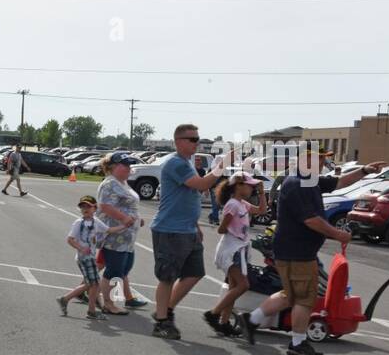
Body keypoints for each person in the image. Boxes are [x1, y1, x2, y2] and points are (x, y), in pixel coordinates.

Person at [238, 148, 350, 355]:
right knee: (304, 299)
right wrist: (338, 234)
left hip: (289, 249)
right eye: (320, 159)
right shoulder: (299, 184)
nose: (323, 163)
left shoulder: (308, 180)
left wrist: (364, 171)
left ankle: (251, 320)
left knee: (289, 294)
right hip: (299, 252)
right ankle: (298, 343)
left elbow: (339, 182)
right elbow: (311, 220)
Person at [150, 124, 225, 339]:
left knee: (194, 273)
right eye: (192, 139)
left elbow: (187, 197)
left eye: (197, 139)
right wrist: (221, 167)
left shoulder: (186, 162)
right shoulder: (175, 163)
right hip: (170, 230)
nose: (196, 143)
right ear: (178, 141)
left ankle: (165, 310)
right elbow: (200, 185)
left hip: (187, 229)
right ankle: (162, 321)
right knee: (167, 277)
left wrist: (196, 225)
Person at [204, 173, 266, 335]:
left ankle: (224, 323)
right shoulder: (232, 205)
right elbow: (221, 229)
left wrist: (262, 193)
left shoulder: (242, 204)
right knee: (243, 285)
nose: (252, 188)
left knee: (234, 287)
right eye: (249, 185)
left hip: (239, 249)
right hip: (231, 250)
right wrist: (236, 230)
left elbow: (261, 210)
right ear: (238, 186)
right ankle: (213, 314)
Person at [95, 152, 148, 311]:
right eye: (124, 165)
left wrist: (137, 219)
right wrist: (125, 218)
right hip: (115, 235)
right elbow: (105, 206)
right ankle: (109, 304)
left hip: (127, 237)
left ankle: (90, 293)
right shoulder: (110, 183)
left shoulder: (122, 182)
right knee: (114, 271)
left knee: (124, 268)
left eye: (129, 165)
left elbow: (127, 204)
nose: (128, 168)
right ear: (112, 167)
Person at [56, 196, 117, 320]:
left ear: (95, 208)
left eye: (88, 206)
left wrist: (126, 226)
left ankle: (71, 301)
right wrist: (81, 248)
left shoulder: (96, 221)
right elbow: (70, 239)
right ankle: (88, 309)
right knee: (93, 283)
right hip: (84, 258)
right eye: (82, 207)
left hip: (90, 257)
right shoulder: (79, 223)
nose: (85, 209)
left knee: (92, 284)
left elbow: (108, 230)